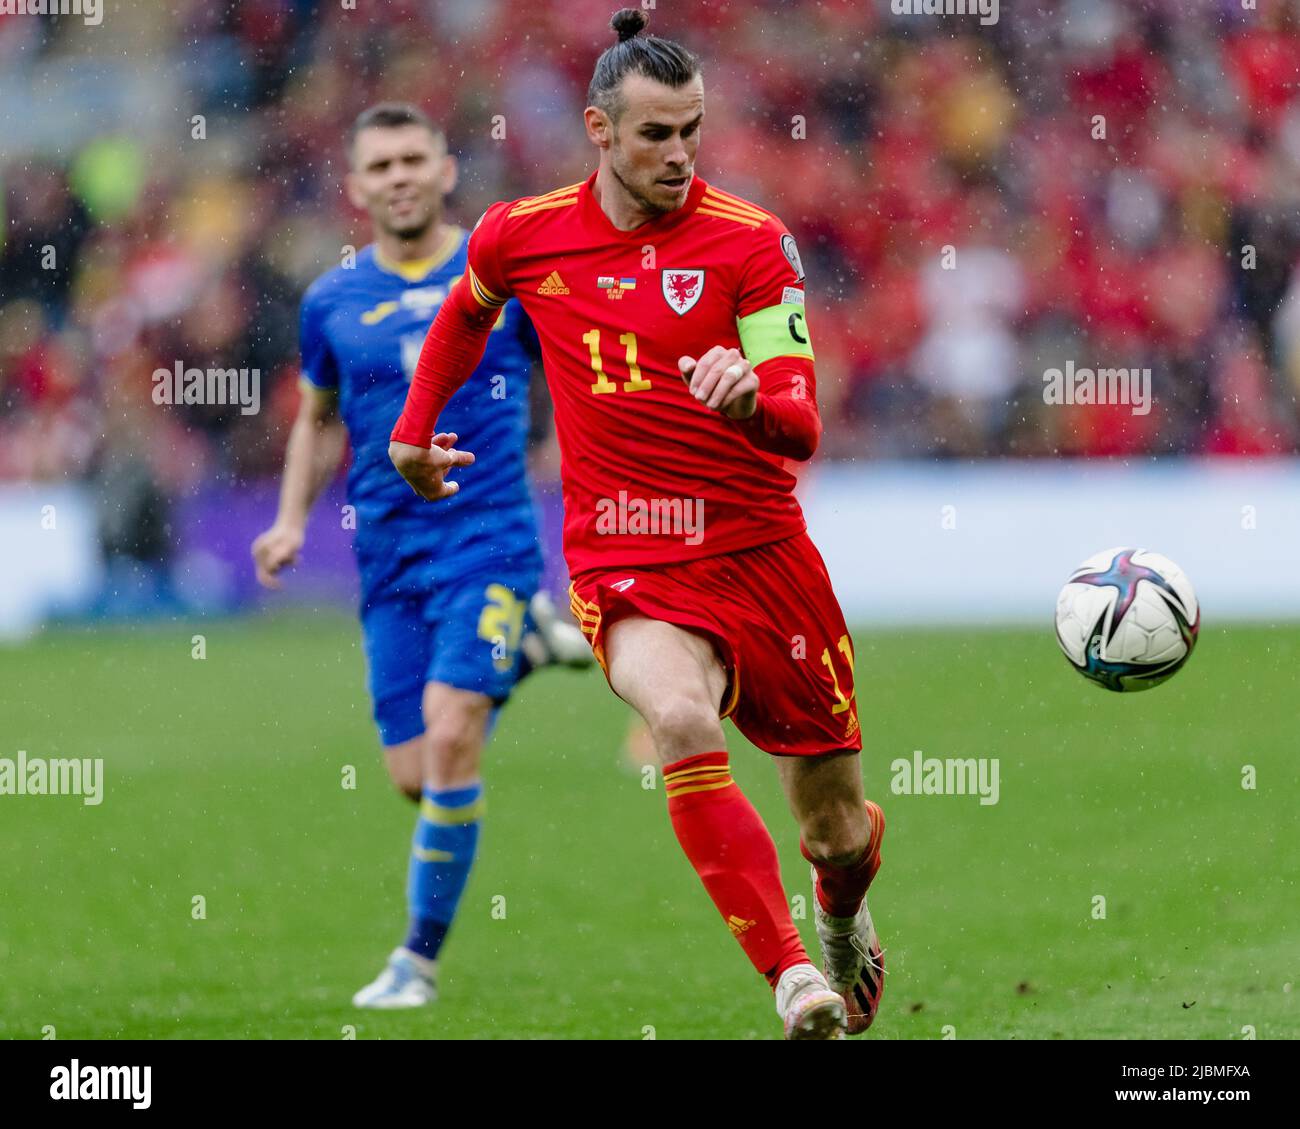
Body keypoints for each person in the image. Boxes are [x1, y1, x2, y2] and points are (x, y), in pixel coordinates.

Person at [388, 11, 884, 1040]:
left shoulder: (750, 243)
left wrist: (752, 402)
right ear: (599, 130)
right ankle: (792, 973)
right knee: (681, 721)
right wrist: (412, 430)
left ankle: (840, 916)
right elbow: (465, 312)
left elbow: (801, 423)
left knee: (836, 830)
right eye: (656, 133)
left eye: (692, 130)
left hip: (762, 551)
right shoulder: (521, 234)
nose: (679, 153)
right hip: (627, 552)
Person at [252, 102, 589, 1010]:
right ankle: (525, 645)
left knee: (451, 735)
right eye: (380, 165)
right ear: (356, 187)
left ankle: (416, 960)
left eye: (413, 158)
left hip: (489, 539)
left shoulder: (498, 277)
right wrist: (289, 521)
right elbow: (318, 419)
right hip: (391, 559)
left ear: (445, 170)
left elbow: (571, 374)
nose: (398, 176)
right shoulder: (330, 300)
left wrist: (579, 469)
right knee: (415, 774)